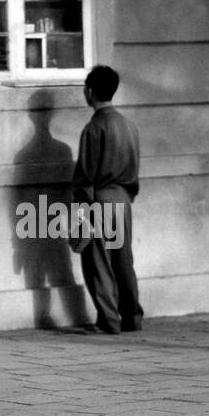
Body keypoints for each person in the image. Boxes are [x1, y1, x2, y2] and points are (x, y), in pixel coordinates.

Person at [72, 65, 143, 334]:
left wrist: (81, 210)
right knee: (124, 261)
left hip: (98, 200)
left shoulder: (93, 128)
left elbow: (85, 175)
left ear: (90, 92)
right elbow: (134, 169)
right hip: (122, 200)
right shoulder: (129, 126)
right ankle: (132, 318)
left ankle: (109, 320)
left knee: (98, 263)